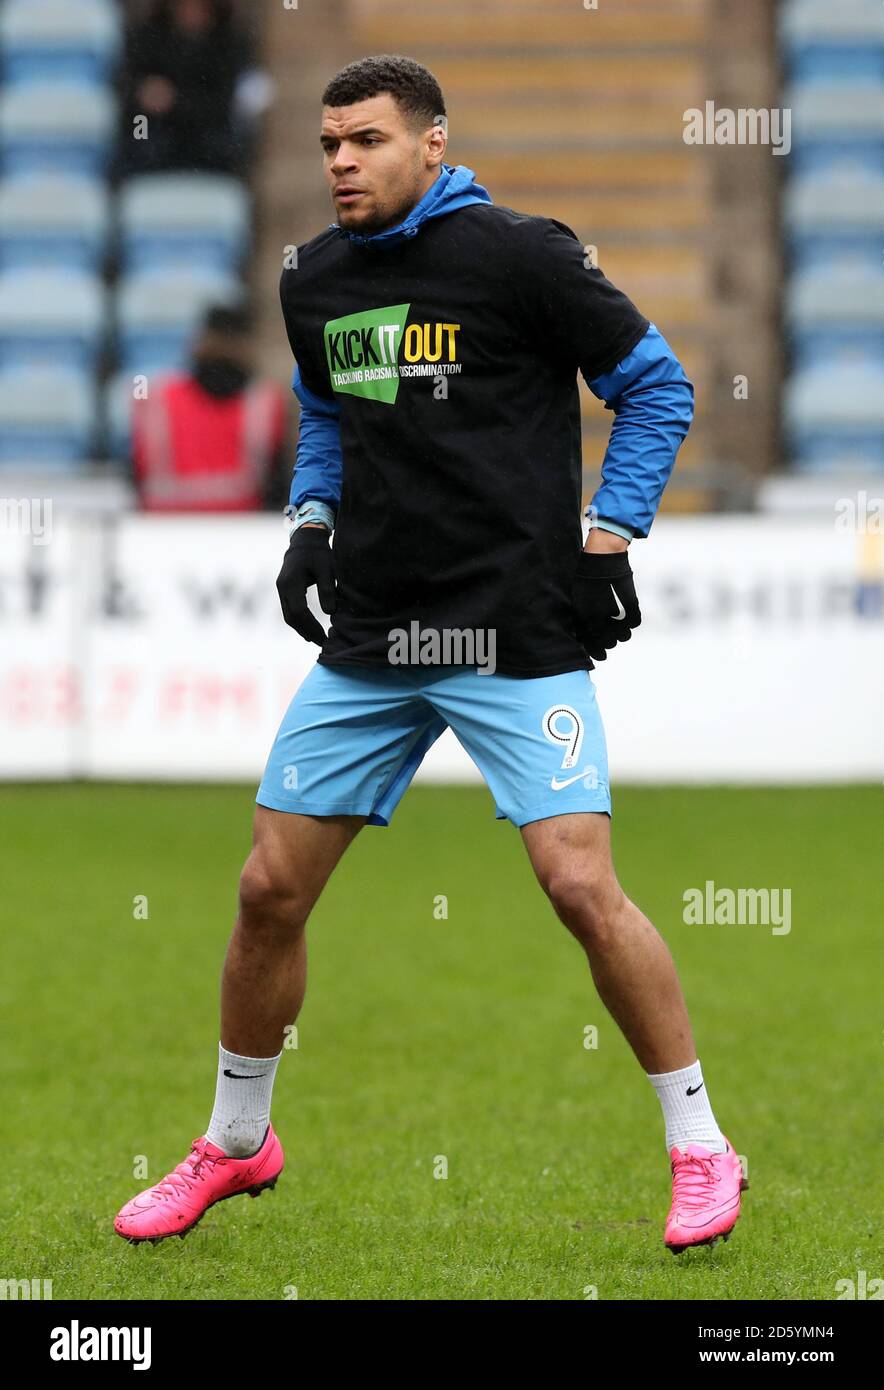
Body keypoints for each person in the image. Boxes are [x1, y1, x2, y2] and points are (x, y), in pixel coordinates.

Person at [115, 55, 747, 1256]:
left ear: (432, 144)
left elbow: (654, 387)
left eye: (365, 141)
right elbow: (330, 414)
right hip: (376, 631)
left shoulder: (523, 256)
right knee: (266, 891)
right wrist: (310, 521)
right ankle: (239, 1143)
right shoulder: (313, 278)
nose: (341, 162)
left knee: (577, 885)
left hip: (513, 627)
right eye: (327, 145)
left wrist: (610, 530)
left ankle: (701, 1145)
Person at [131, 304, 289, 512]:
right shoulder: (264, 403)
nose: (222, 350)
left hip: (232, 536)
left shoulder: (264, 403)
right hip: (179, 535)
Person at [117, 0, 258, 177]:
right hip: (156, 126)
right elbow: (130, 86)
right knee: (141, 136)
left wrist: (175, 100)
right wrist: (143, 92)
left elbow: (226, 101)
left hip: (209, 131)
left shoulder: (230, 44)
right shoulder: (147, 38)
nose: (190, 12)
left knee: (223, 145)